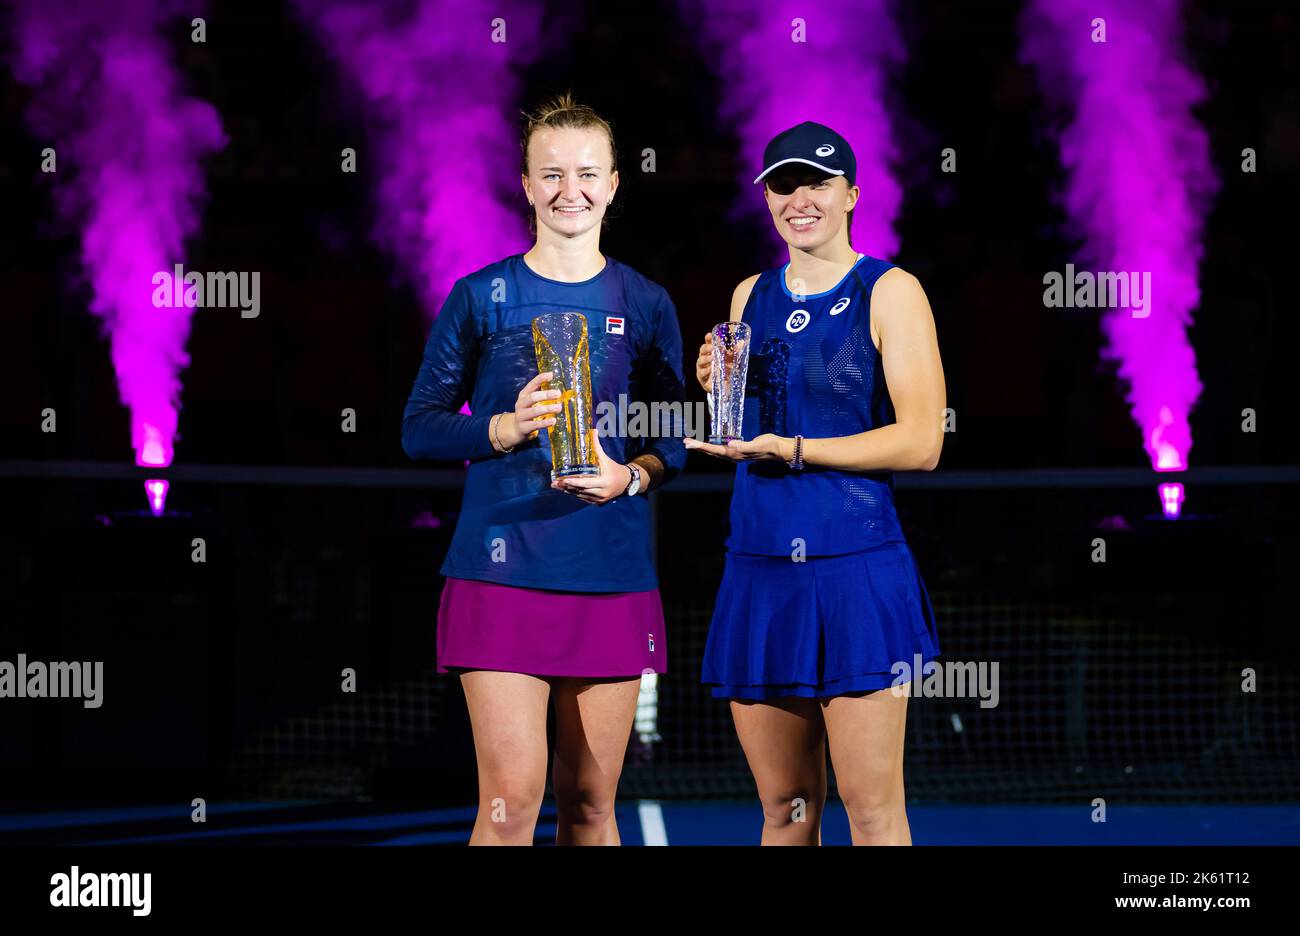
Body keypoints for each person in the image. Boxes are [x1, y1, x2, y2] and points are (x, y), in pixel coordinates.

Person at [401, 93, 686, 845]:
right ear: (525, 185)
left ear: (615, 183)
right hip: (500, 572)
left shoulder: (646, 302)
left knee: (592, 807)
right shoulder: (479, 297)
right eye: (551, 173)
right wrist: (502, 427)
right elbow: (418, 429)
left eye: (588, 173)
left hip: (609, 569)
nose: (571, 190)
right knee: (512, 802)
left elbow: (679, 434)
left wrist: (631, 476)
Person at [686, 121, 945, 845]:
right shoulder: (748, 295)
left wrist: (797, 448)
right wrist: (714, 389)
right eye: (783, 185)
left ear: (852, 194)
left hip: (856, 568)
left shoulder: (891, 290)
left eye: (818, 183)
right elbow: (745, 428)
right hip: (761, 568)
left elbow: (922, 442)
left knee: (871, 813)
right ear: (765, 198)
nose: (800, 199)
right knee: (785, 811)